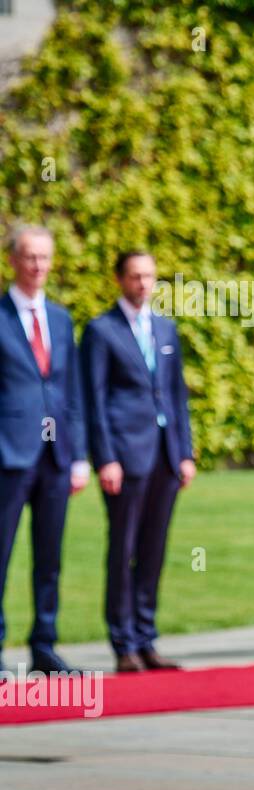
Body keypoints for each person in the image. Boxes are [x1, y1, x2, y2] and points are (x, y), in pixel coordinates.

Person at [81, 250, 195, 672]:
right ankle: (123, 640)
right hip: (125, 458)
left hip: (165, 456)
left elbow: (177, 395)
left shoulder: (165, 328)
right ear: (119, 280)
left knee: (153, 549)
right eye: (135, 276)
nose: (143, 284)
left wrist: (185, 452)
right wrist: (105, 458)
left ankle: (147, 636)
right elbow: (93, 399)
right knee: (123, 547)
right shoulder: (101, 331)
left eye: (149, 276)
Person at [0, 225, 88, 678]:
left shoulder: (60, 319)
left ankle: (44, 646)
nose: (38, 265)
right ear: (12, 260)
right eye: (30, 256)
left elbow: (70, 391)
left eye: (45, 257)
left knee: (49, 557)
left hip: (56, 458)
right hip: (8, 457)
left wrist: (79, 456)